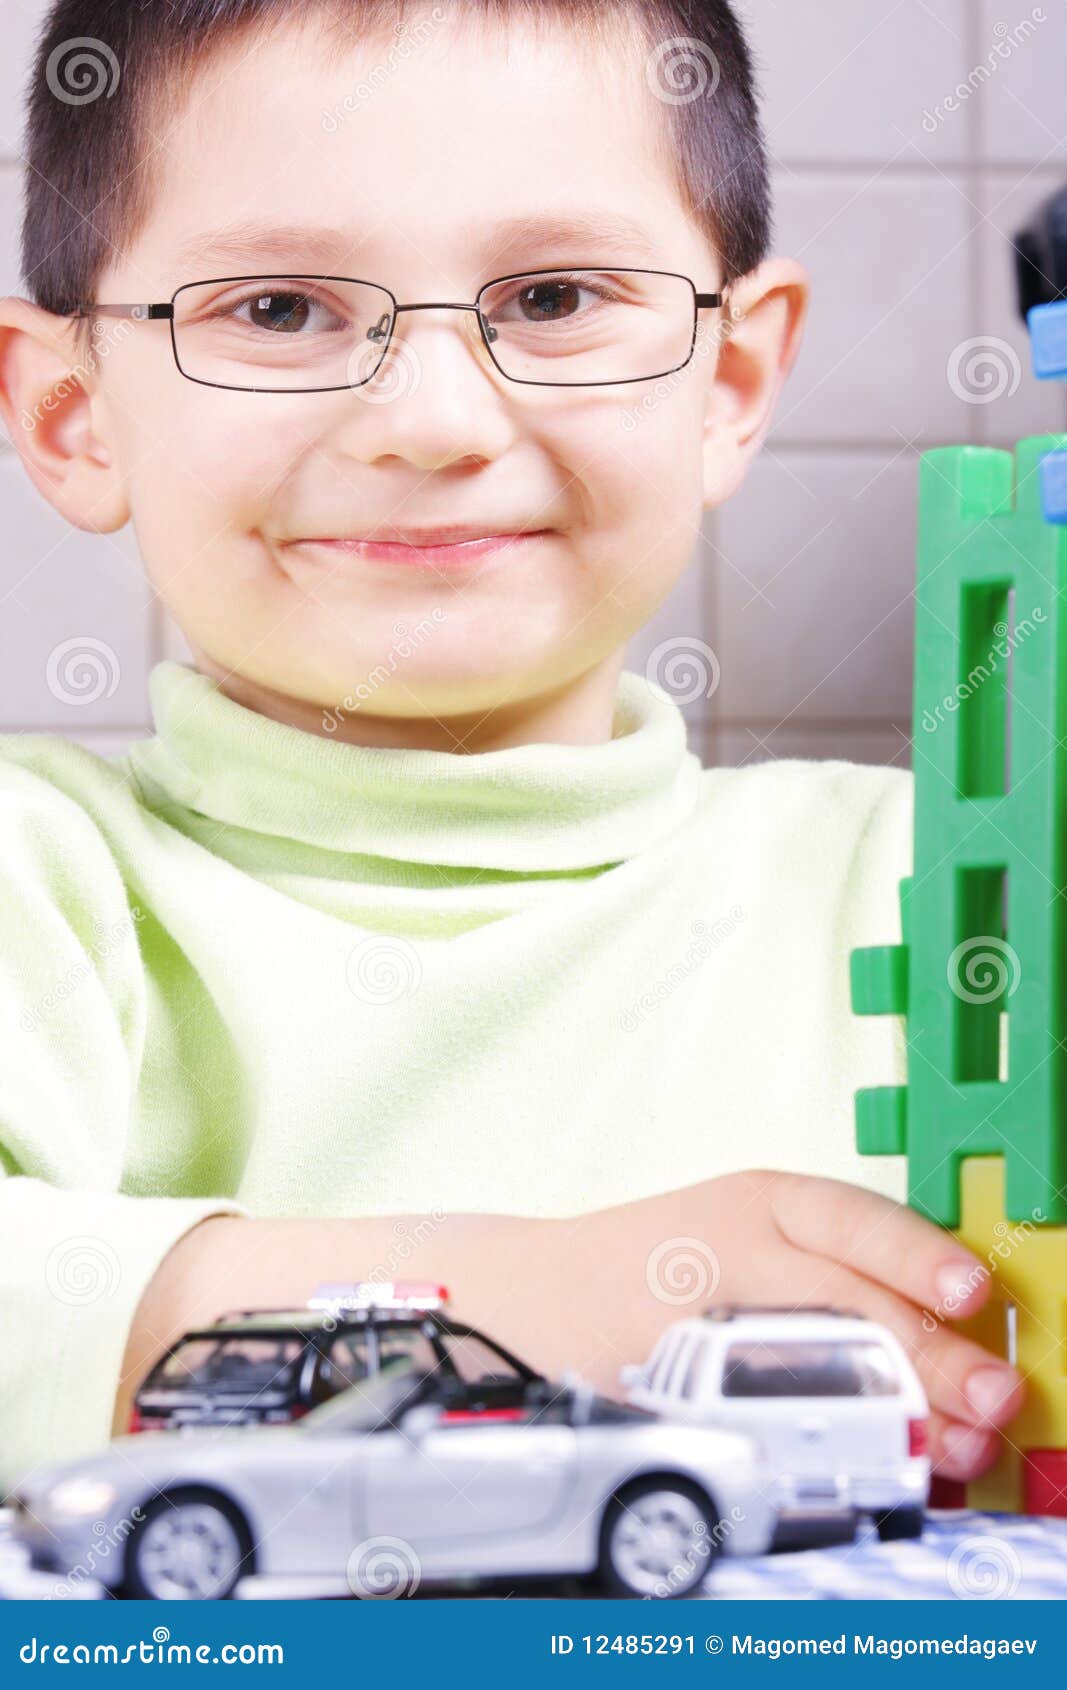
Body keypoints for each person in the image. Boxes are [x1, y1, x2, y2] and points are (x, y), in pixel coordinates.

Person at [0, 0, 1021, 1492]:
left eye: (552, 297)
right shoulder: (39, 885)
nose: (430, 420)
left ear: (727, 382)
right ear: (76, 415)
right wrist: (515, 1312)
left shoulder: (962, 884)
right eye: (279, 309)